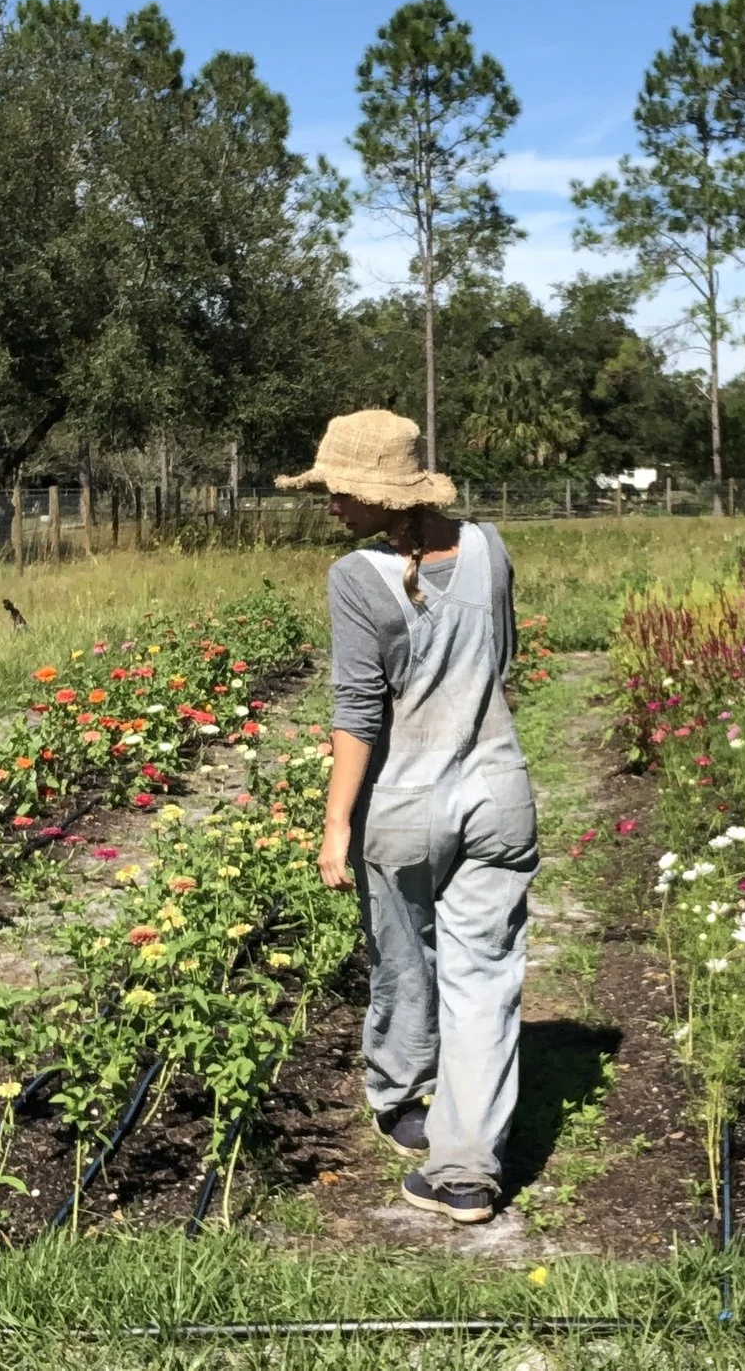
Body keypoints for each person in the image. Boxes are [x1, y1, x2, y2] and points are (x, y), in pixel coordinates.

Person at [276, 409, 536, 1225]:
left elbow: (357, 710)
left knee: (402, 956)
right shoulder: (490, 548)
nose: (331, 505)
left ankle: (400, 1099)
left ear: (383, 498)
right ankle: (466, 1170)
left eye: (341, 491)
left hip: (406, 799)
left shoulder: (356, 575)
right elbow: (505, 654)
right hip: (499, 792)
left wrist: (333, 827)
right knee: (485, 977)